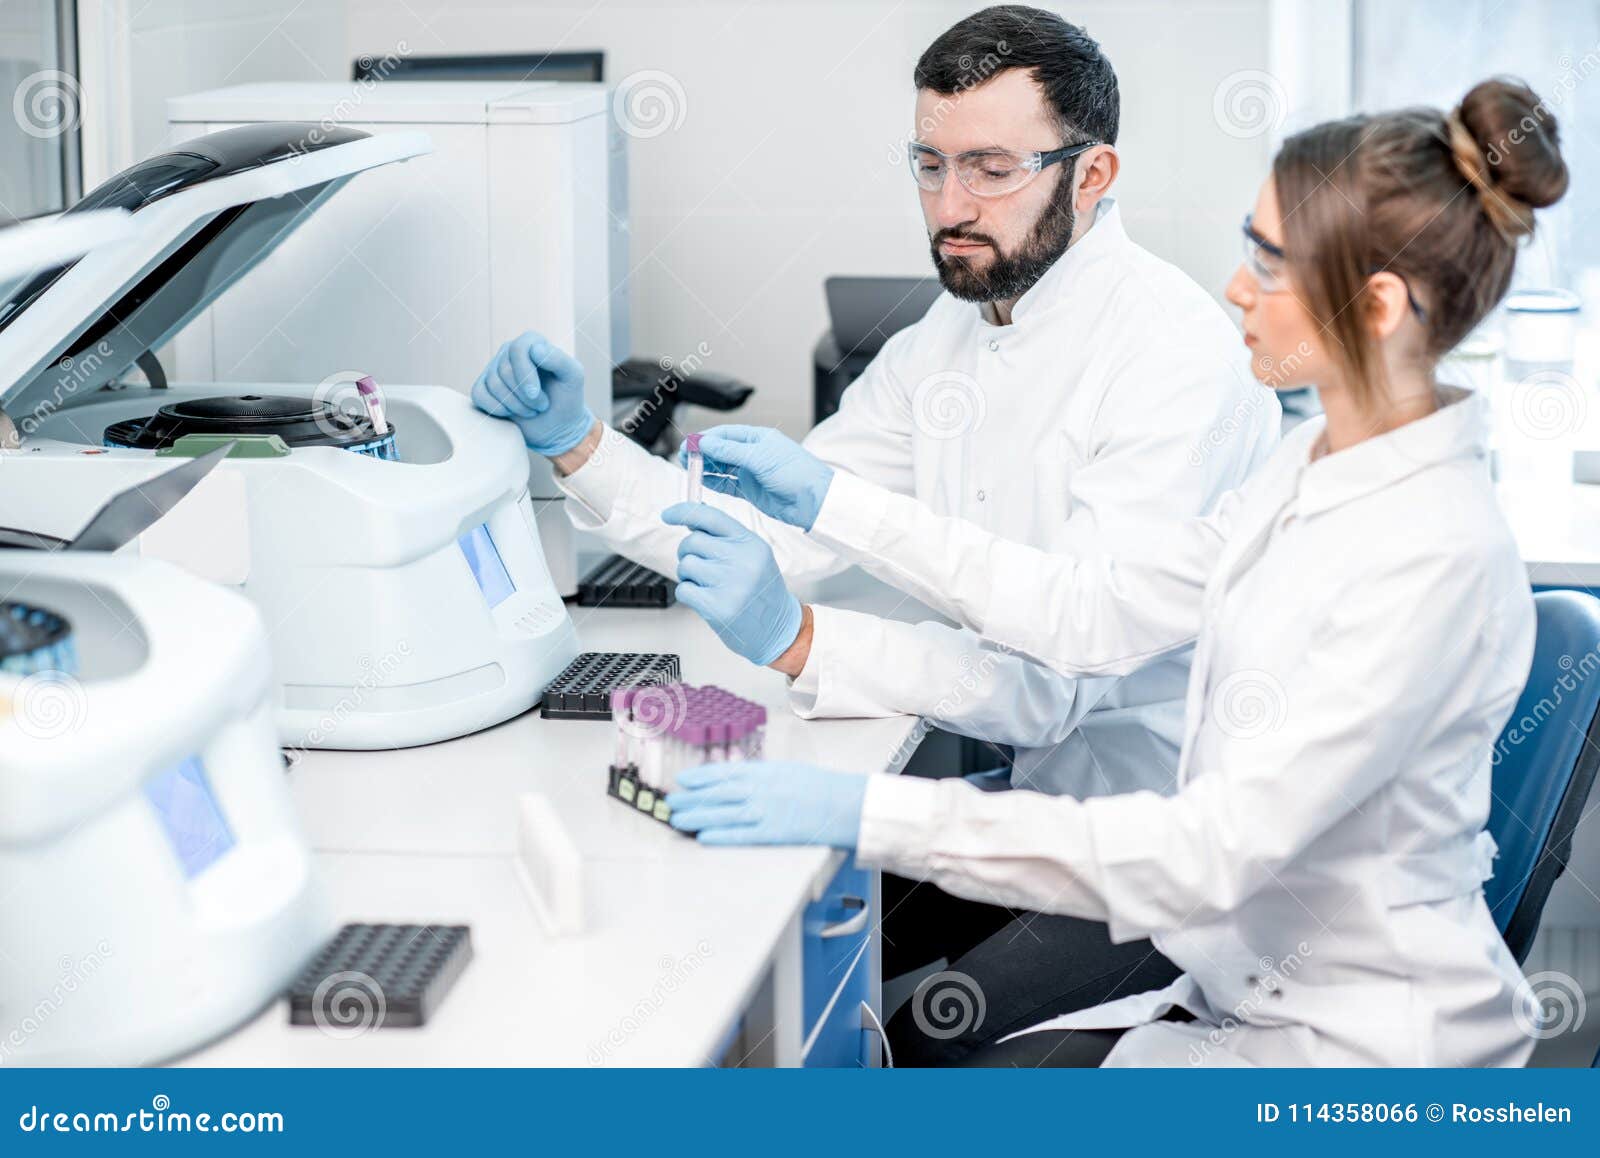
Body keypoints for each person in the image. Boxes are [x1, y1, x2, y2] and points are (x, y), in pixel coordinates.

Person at [661, 77, 1569, 1066]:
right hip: (1234, 980)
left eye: (1269, 261)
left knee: (906, 1063)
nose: (1236, 287)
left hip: (1357, 1050)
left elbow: (1206, 855)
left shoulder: (1428, 552)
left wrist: (864, 811)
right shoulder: (1308, 464)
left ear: (1378, 304)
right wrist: (835, 503)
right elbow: (1089, 608)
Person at [470, 7, 1277, 1063]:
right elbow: (774, 536)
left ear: (1090, 175)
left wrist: (803, 640)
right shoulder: (953, 330)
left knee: (906, 1035)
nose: (950, 206)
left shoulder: (1171, 358)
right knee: (750, 899)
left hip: (1160, 862)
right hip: (1031, 810)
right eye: (930, 165)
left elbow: (1054, 678)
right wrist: (579, 447)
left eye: (990, 168)